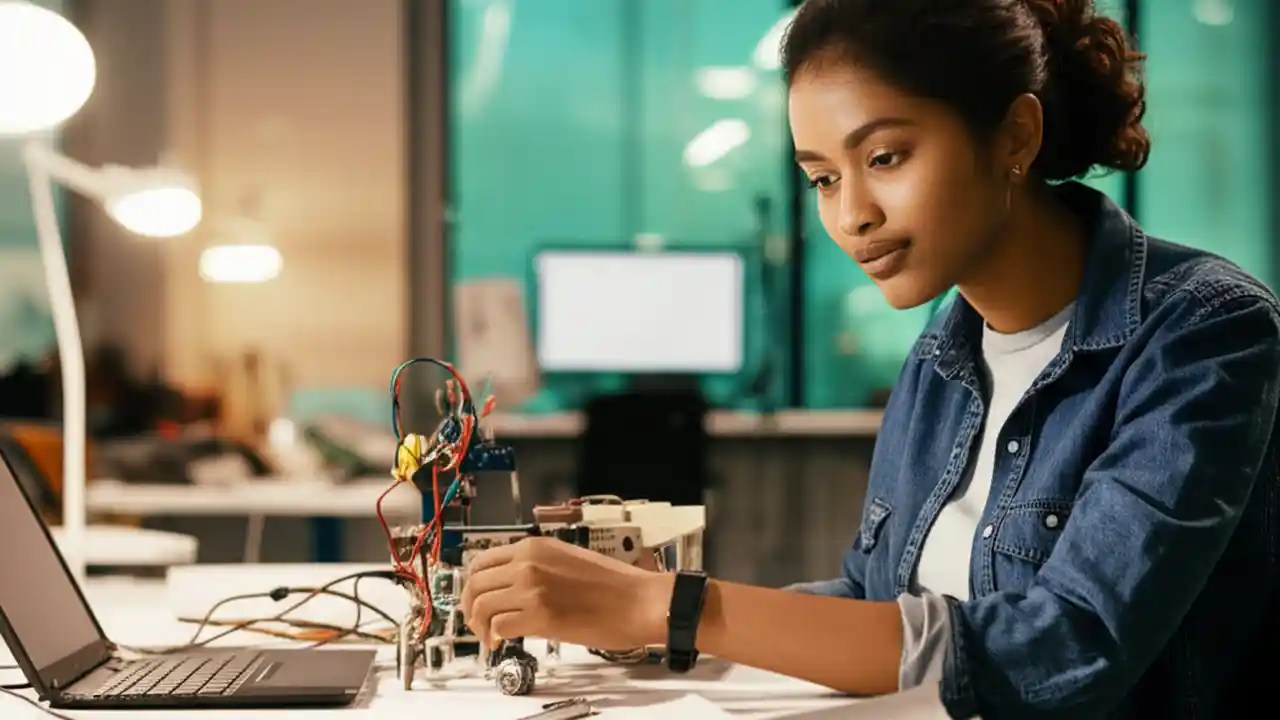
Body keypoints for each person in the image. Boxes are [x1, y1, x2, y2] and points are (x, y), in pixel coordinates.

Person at [459, 0, 1280, 717]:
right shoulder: (941, 355)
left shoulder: (1204, 330)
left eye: (884, 157)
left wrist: (673, 609)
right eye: (820, 178)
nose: (851, 215)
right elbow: (874, 603)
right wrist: (638, 622)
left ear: (1015, 136)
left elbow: (1066, 651)